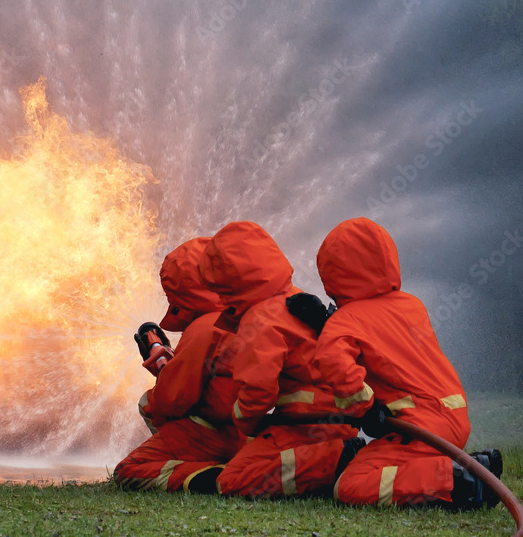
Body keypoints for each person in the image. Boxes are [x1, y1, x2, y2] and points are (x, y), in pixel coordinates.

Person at [312, 217, 502, 508]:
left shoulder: (345, 322)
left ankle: (461, 482)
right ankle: (467, 465)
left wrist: (366, 409)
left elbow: (333, 363)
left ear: (332, 275)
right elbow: (384, 339)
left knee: (350, 486)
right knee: (374, 461)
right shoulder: (413, 305)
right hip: (454, 419)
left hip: (418, 428)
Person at [197, 221, 363, 498]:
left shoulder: (259, 320)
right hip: (337, 421)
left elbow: (258, 393)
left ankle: (335, 460)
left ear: (227, 283)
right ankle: (332, 459)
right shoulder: (297, 298)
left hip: (304, 427)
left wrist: (245, 423)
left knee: (232, 480)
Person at [113, 237, 244, 493]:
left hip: (207, 432)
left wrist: (164, 374)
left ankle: (209, 475)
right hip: (242, 430)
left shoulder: (204, 329)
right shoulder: (246, 316)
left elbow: (173, 400)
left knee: (128, 470)